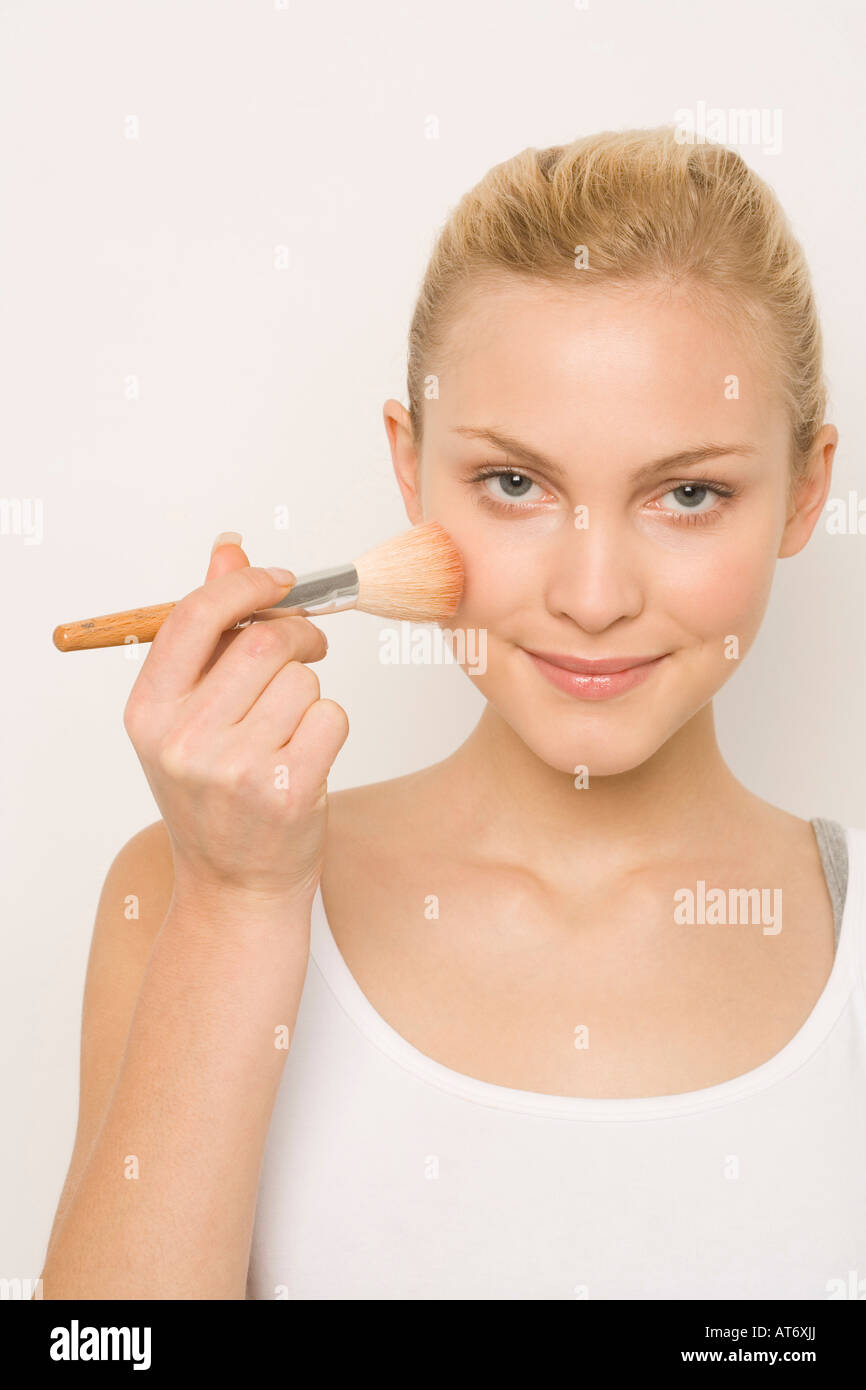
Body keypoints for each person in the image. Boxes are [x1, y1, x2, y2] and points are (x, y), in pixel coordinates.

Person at [40, 127, 865, 1300]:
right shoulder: (183, 891)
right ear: (408, 464)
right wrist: (237, 906)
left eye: (687, 494)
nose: (590, 597)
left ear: (804, 491)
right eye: (514, 485)